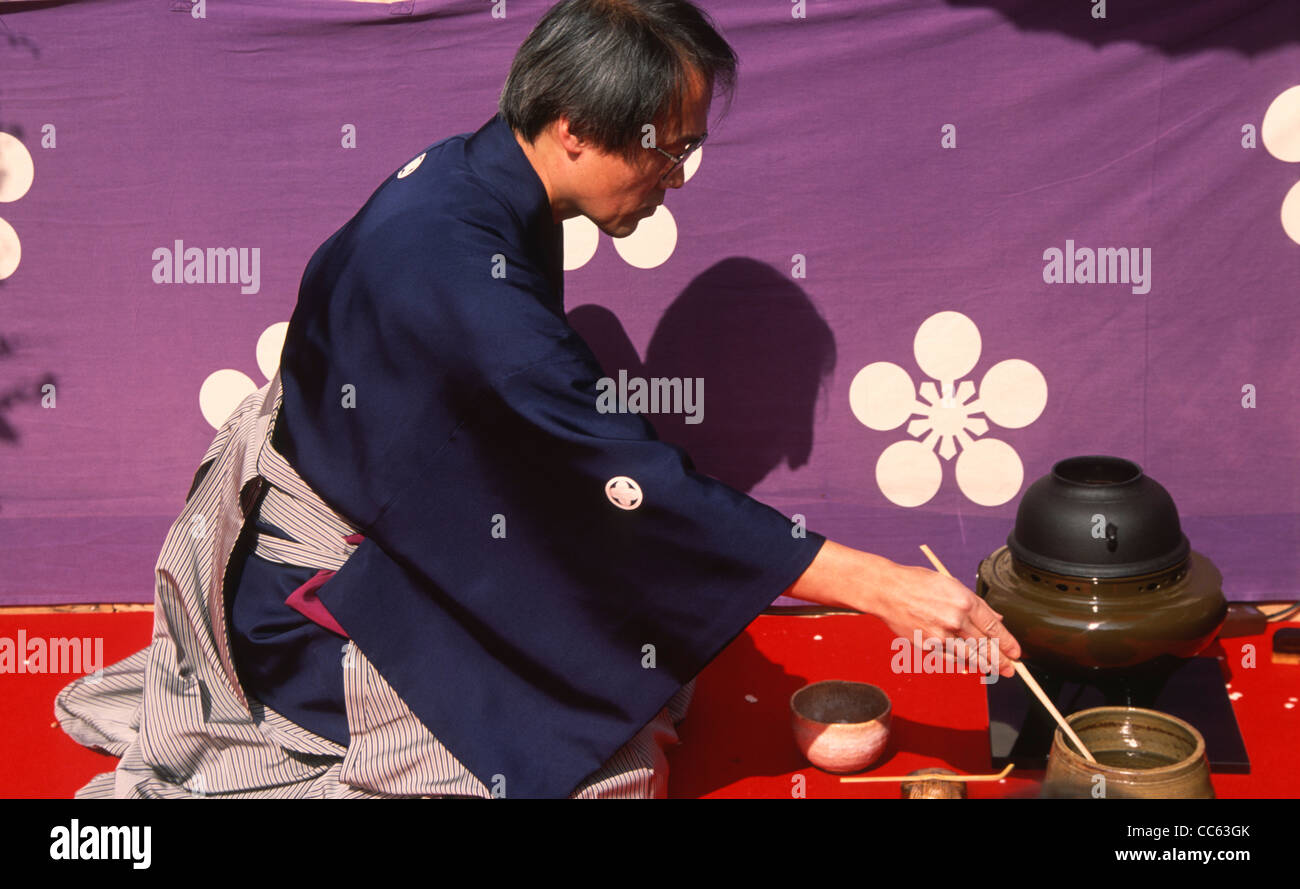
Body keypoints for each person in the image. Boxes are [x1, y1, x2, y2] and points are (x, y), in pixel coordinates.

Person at [57, 0, 1020, 799]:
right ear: (575, 130)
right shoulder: (476, 290)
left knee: (639, 667)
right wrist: (876, 585)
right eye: (669, 149)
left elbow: (531, 457)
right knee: (614, 772)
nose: (678, 178)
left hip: (373, 511)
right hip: (317, 606)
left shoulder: (468, 173)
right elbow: (629, 481)